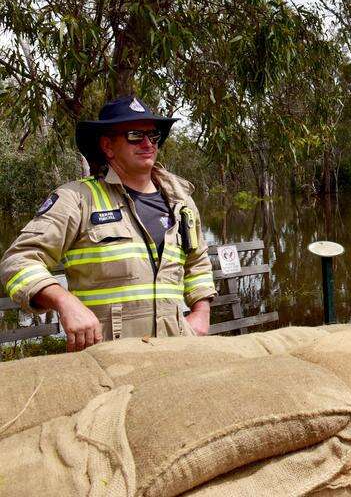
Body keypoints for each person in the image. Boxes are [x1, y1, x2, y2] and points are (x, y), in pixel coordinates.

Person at [0, 96, 216, 351]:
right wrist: (65, 301)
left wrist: (202, 311)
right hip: (105, 356)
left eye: (153, 135)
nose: (147, 143)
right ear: (108, 146)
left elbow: (197, 262)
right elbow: (18, 261)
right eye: (135, 135)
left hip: (177, 351)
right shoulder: (77, 199)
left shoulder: (181, 201)